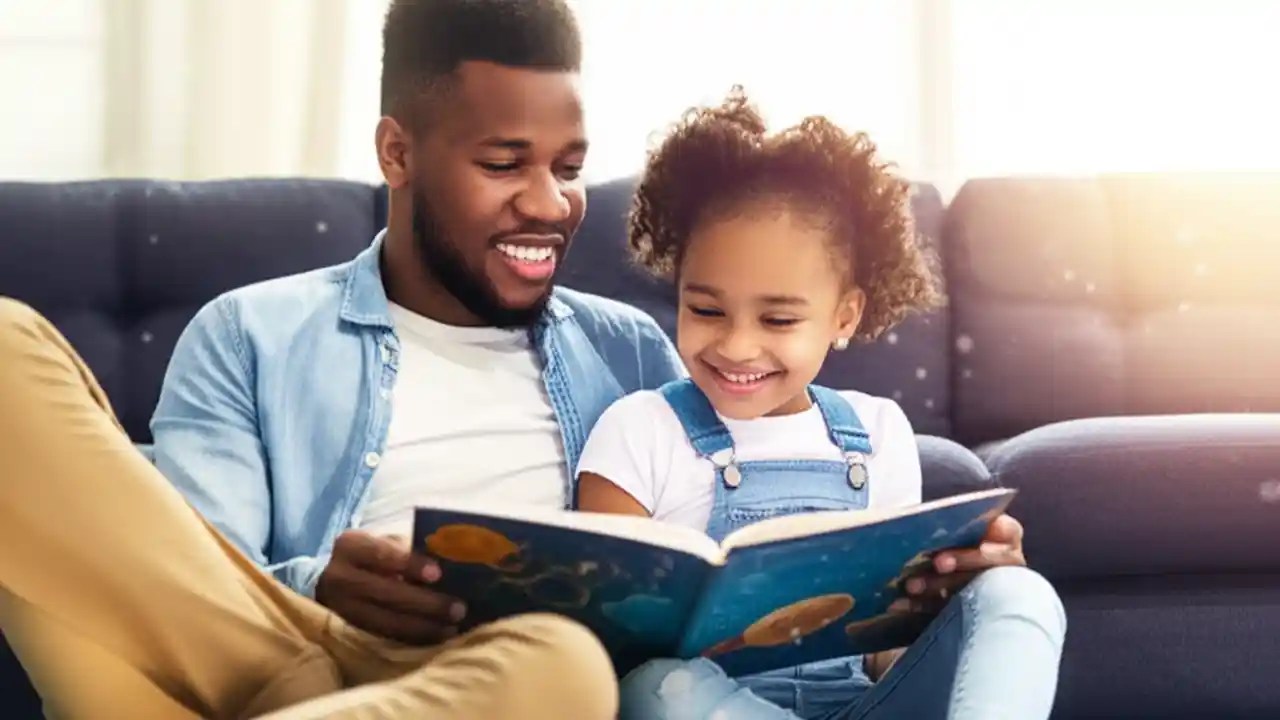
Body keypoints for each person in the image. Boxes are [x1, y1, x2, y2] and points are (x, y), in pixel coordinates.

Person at [0, 0, 678, 716]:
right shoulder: (249, 335)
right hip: (282, 647)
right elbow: (183, 589)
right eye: (503, 163)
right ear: (397, 153)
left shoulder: (629, 351)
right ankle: (287, 685)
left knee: (562, 663)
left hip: (493, 684)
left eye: (569, 168)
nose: (550, 203)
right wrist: (318, 586)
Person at [575, 88, 1067, 719]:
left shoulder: (877, 431)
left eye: (778, 319)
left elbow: (883, 656)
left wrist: (944, 607)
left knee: (1017, 592)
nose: (736, 345)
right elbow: (606, 650)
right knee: (655, 683)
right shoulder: (638, 431)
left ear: (844, 316)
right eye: (704, 310)